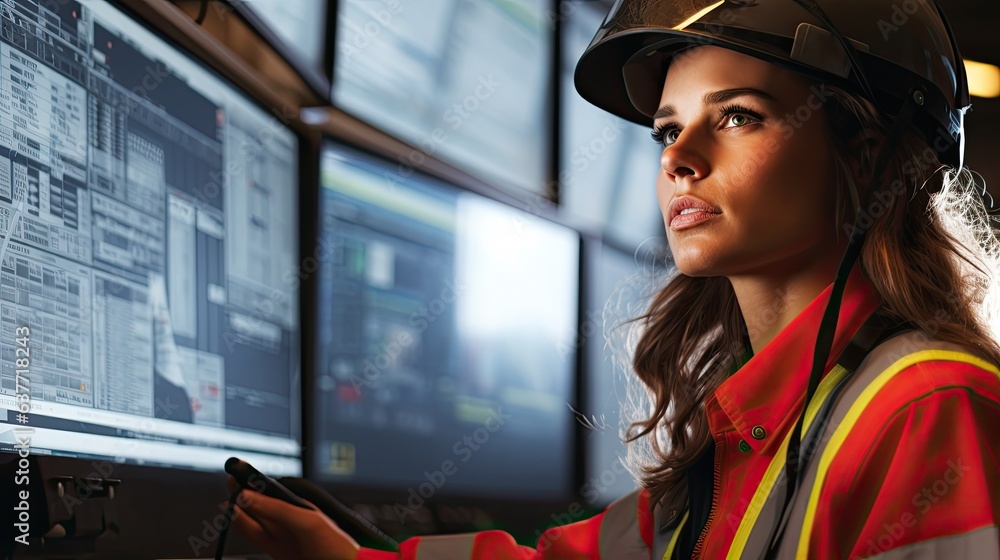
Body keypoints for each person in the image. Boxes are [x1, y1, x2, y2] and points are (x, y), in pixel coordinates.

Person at [228, 0, 1000, 558]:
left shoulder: (928, 409)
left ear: (866, 154)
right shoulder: (754, 427)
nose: (678, 157)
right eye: (669, 128)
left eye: (737, 116)